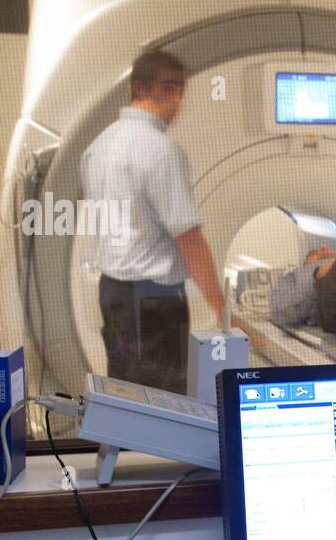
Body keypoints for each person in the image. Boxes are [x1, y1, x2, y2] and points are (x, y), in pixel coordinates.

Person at [81, 49, 242, 392]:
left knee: (124, 392)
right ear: (174, 92)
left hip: (112, 292)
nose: (178, 100)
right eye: (175, 89)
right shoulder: (161, 151)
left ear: (133, 88)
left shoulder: (98, 146)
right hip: (154, 301)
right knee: (162, 402)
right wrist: (222, 308)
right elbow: (189, 240)